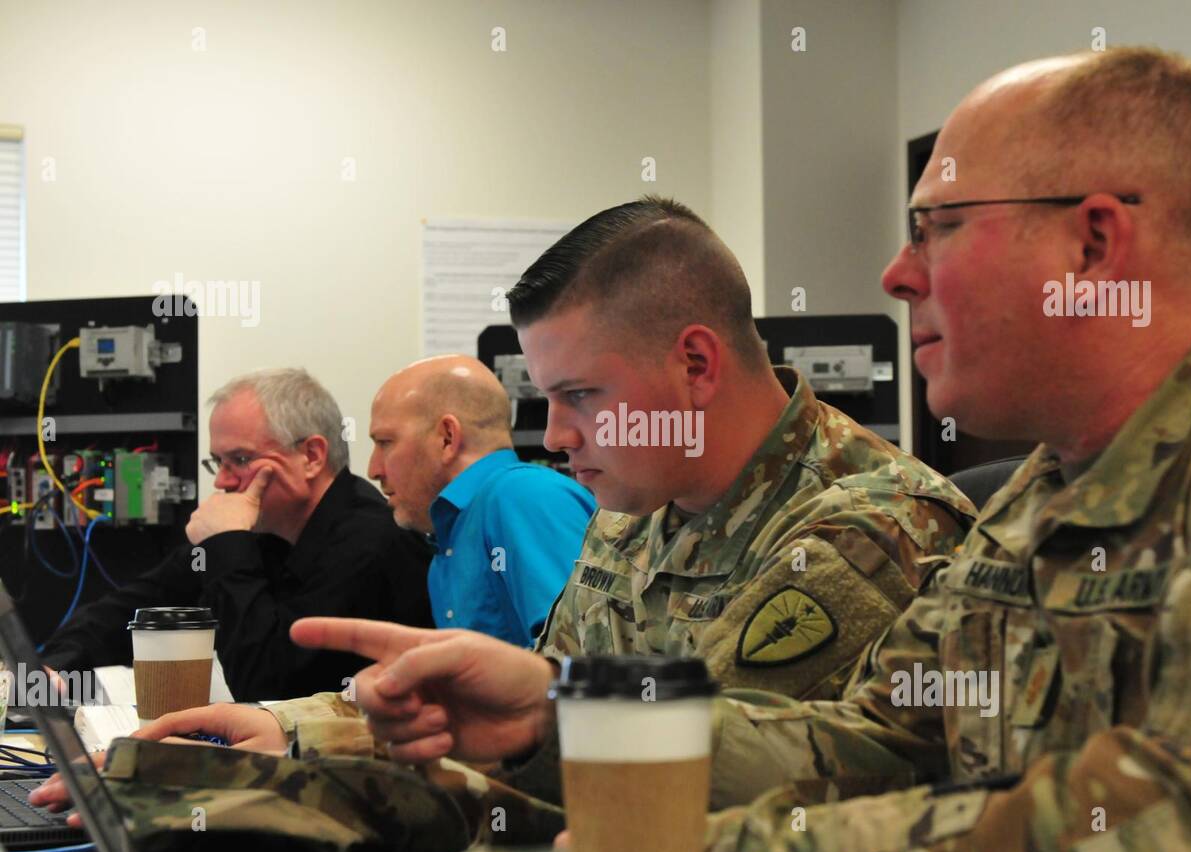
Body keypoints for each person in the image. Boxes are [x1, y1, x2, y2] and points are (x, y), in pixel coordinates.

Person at [129, 46, 1191, 852]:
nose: (896, 274)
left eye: (934, 225)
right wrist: (556, 714)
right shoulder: (1043, 498)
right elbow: (887, 743)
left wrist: (697, 849)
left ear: (1095, 244)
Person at [33, 198, 974, 816]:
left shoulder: (861, 529)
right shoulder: (635, 505)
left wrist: (244, 793)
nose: (554, 438)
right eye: (547, 401)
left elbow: (629, 780)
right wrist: (289, 729)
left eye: (582, 397)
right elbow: (520, 699)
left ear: (694, 363)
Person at [39, 368, 432, 701]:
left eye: (241, 460)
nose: (225, 481)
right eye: (219, 462)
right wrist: (55, 669)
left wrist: (227, 544)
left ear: (311, 456)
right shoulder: (264, 528)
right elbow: (136, 608)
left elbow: (268, 685)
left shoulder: (371, 541)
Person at [368, 355, 595, 648]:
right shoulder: (450, 538)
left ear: (447, 438)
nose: (373, 469)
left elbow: (578, 659)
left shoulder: (522, 495)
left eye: (385, 442)